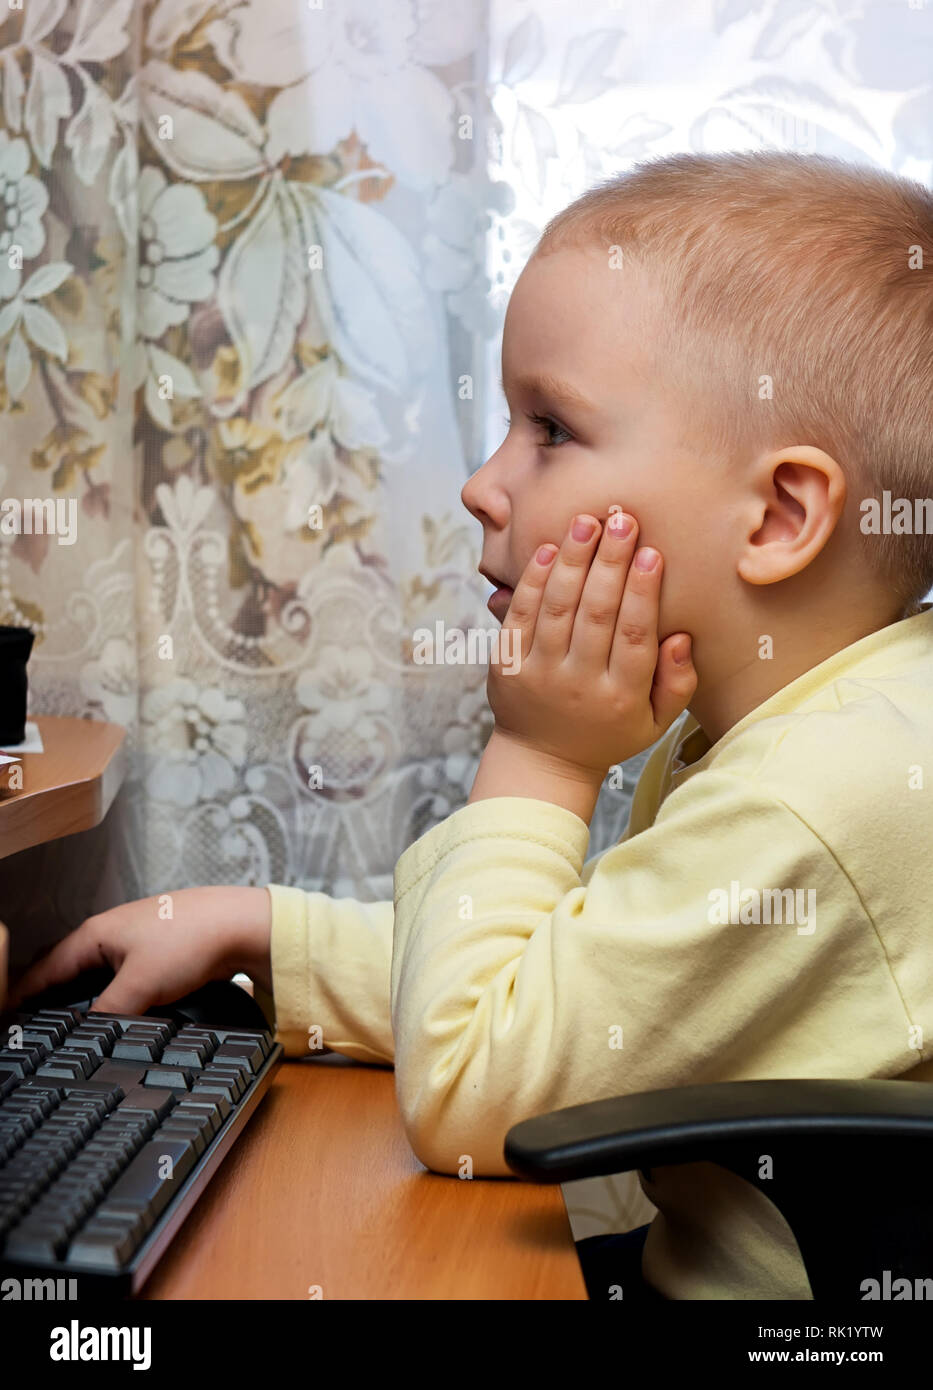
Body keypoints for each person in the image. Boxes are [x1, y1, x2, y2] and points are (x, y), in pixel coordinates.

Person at [9, 151, 933, 1299]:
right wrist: (266, 930)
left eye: (550, 428)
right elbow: (581, 992)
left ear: (783, 514)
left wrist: (540, 755)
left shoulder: (827, 795)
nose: (483, 485)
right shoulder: (835, 721)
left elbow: (474, 1092)